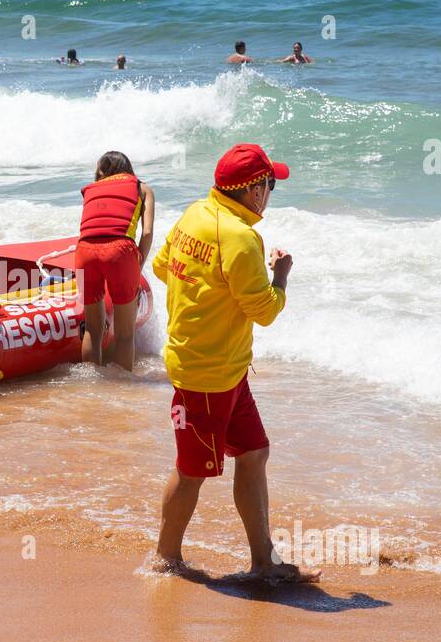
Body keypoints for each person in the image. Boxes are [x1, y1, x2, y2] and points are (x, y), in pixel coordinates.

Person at [150, 143, 319, 583]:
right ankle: (164, 561)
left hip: (223, 367)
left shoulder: (195, 214)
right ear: (253, 191)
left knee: (255, 452)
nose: (270, 192)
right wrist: (280, 276)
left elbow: (164, 268)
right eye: (270, 184)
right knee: (191, 473)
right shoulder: (242, 238)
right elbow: (263, 310)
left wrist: (205, 294)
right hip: (207, 373)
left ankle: (264, 562)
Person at [77, 151, 155, 372]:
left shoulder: (92, 189)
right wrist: (136, 268)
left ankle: (90, 384)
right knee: (125, 333)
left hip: (84, 251)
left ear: (100, 172)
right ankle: (120, 389)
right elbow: (147, 233)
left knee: (92, 328)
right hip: (119, 251)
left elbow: (93, 227)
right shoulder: (142, 188)